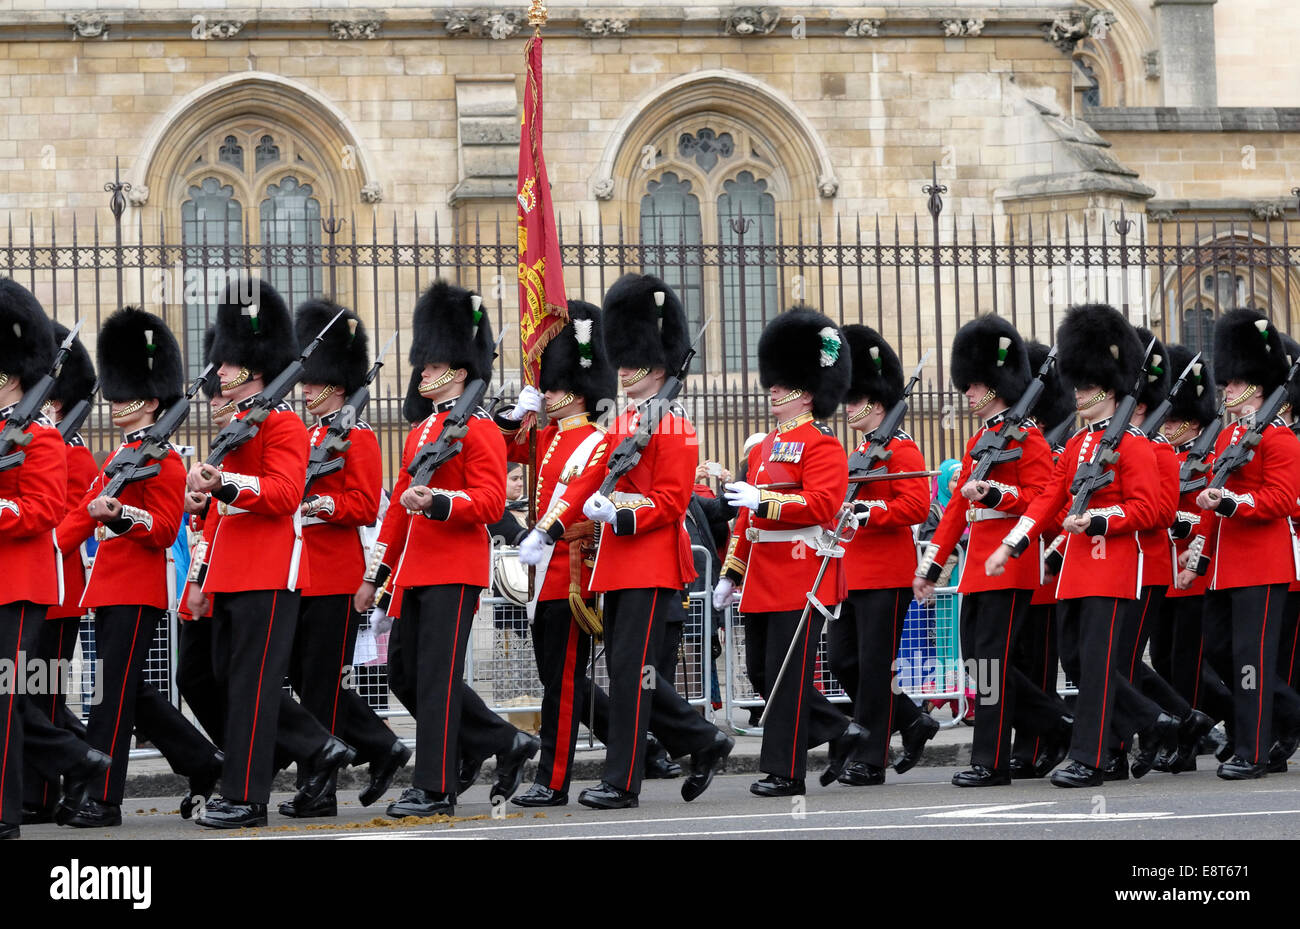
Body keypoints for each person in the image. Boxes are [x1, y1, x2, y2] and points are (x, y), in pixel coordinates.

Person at [534, 273, 733, 810]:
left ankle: (623, 781)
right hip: (614, 563)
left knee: (632, 674)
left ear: (658, 361)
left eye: (632, 360)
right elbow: (588, 479)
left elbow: (670, 501)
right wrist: (554, 526)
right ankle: (702, 738)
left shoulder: (676, 424)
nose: (622, 370)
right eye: (618, 360)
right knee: (628, 672)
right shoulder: (622, 421)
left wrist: (619, 510)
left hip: (648, 561)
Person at [354, 281, 536, 818]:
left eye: (431, 366)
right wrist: (376, 573)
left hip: (454, 568)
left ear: (457, 369)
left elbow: (488, 500)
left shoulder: (477, 428)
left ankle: (434, 788)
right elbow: (395, 511)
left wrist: (436, 502)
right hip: (412, 571)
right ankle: (500, 741)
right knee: (404, 676)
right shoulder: (422, 432)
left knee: (434, 679)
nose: (423, 374)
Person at [183, 276, 355, 828]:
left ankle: (247, 797)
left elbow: (282, 495)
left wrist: (226, 486)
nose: (220, 373)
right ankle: (316, 746)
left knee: (253, 684)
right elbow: (223, 512)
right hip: (231, 571)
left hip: (268, 570)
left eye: (228, 365)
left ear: (253, 369)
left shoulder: (279, 423)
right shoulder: (235, 424)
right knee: (226, 679)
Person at [53, 306, 224, 827]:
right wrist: (50, 549)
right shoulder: (119, 456)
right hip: (107, 586)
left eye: (125, 397)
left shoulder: (166, 460)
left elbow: (165, 527)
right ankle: (203, 760)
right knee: (124, 689)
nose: (114, 404)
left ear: (152, 401)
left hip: (138, 588)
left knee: (110, 700)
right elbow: (84, 512)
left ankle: (104, 799)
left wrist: (122, 513)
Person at [988, 303, 1162, 788]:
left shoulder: (1133, 445)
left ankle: (1090, 757)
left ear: (1107, 390)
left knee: (1098, 661)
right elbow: (1048, 498)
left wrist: (1100, 520)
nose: (1077, 394)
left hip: (1113, 569)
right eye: (1078, 385)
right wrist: (1015, 542)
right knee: (1077, 660)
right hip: (1073, 571)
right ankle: (1147, 722)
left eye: (1086, 387)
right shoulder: (1080, 447)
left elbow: (1148, 510)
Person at [714, 306, 869, 797]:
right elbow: (745, 517)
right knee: (761, 671)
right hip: (761, 572)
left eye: (781, 385)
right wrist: (730, 572)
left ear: (805, 392)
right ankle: (840, 730)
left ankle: (784, 771)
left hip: (802, 572)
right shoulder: (762, 449)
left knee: (784, 674)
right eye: (773, 384)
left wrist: (766, 500)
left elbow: (823, 505)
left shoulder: (823, 445)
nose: (772, 391)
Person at [916, 314, 1069, 787]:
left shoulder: (1028, 438)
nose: (967, 392)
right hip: (978, 567)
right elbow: (957, 511)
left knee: (991, 665)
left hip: (1011, 563)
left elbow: (1046, 500)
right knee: (978, 663)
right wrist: (931, 565)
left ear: (995, 386)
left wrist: (997, 497)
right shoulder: (980, 440)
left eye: (975, 384)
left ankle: (991, 760)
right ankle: (1060, 724)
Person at [277, 299, 411, 818]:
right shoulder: (304, 434)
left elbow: (363, 503)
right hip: (298, 573)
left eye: (314, 382)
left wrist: (318, 504)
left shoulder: (358, 435)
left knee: (318, 684)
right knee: (304, 679)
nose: (305, 389)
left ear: (337, 382)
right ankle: (381, 746)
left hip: (334, 574)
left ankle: (321, 789)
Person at [0, 278, 110, 840]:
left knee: (6, 701)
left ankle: (4, 815)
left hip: (18, 587)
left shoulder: (40, 437)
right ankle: (78, 757)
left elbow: (41, 512)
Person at [1175, 308, 1300, 779]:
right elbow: (1210, 507)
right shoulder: (1228, 435)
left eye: (1231, 383)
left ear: (1255, 384)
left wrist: (1230, 503)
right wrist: (1197, 558)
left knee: (1252, 658)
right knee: (1223, 651)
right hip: (1226, 566)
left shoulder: (1280, 438)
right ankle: (1286, 715)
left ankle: (1253, 750)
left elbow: (1281, 499)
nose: (1224, 389)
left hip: (1263, 565)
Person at [504, 299, 618, 806]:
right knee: (556, 680)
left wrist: (545, 531)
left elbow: (578, 495)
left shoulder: (595, 440)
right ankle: (641, 744)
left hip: (569, 574)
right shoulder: (545, 435)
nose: (547, 393)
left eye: (551, 387)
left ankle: (552, 780)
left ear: (576, 391)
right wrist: (520, 412)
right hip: (541, 574)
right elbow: (499, 449)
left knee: (564, 686)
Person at [825, 324, 935, 785]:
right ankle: (911, 720)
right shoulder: (861, 450)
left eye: (855, 400)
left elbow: (916, 505)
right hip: (852, 573)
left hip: (886, 575)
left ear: (877, 401)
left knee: (874, 669)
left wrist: (868, 510)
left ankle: (871, 759)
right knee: (843, 662)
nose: (848, 408)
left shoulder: (901, 449)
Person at [22, 321, 97, 822]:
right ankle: (41, 793)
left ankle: (58, 780)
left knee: (39, 695)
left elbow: (73, 518)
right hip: (36, 589)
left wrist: (41, 544)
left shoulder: (74, 453)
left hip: (59, 592)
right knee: (28, 693)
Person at [1009, 340, 1076, 779]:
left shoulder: (1055, 449)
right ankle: (1041, 732)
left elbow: (1058, 514)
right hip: (1018, 569)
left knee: (1036, 664)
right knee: (1012, 663)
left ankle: (1041, 741)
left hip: (1048, 574)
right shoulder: (1023, 441)